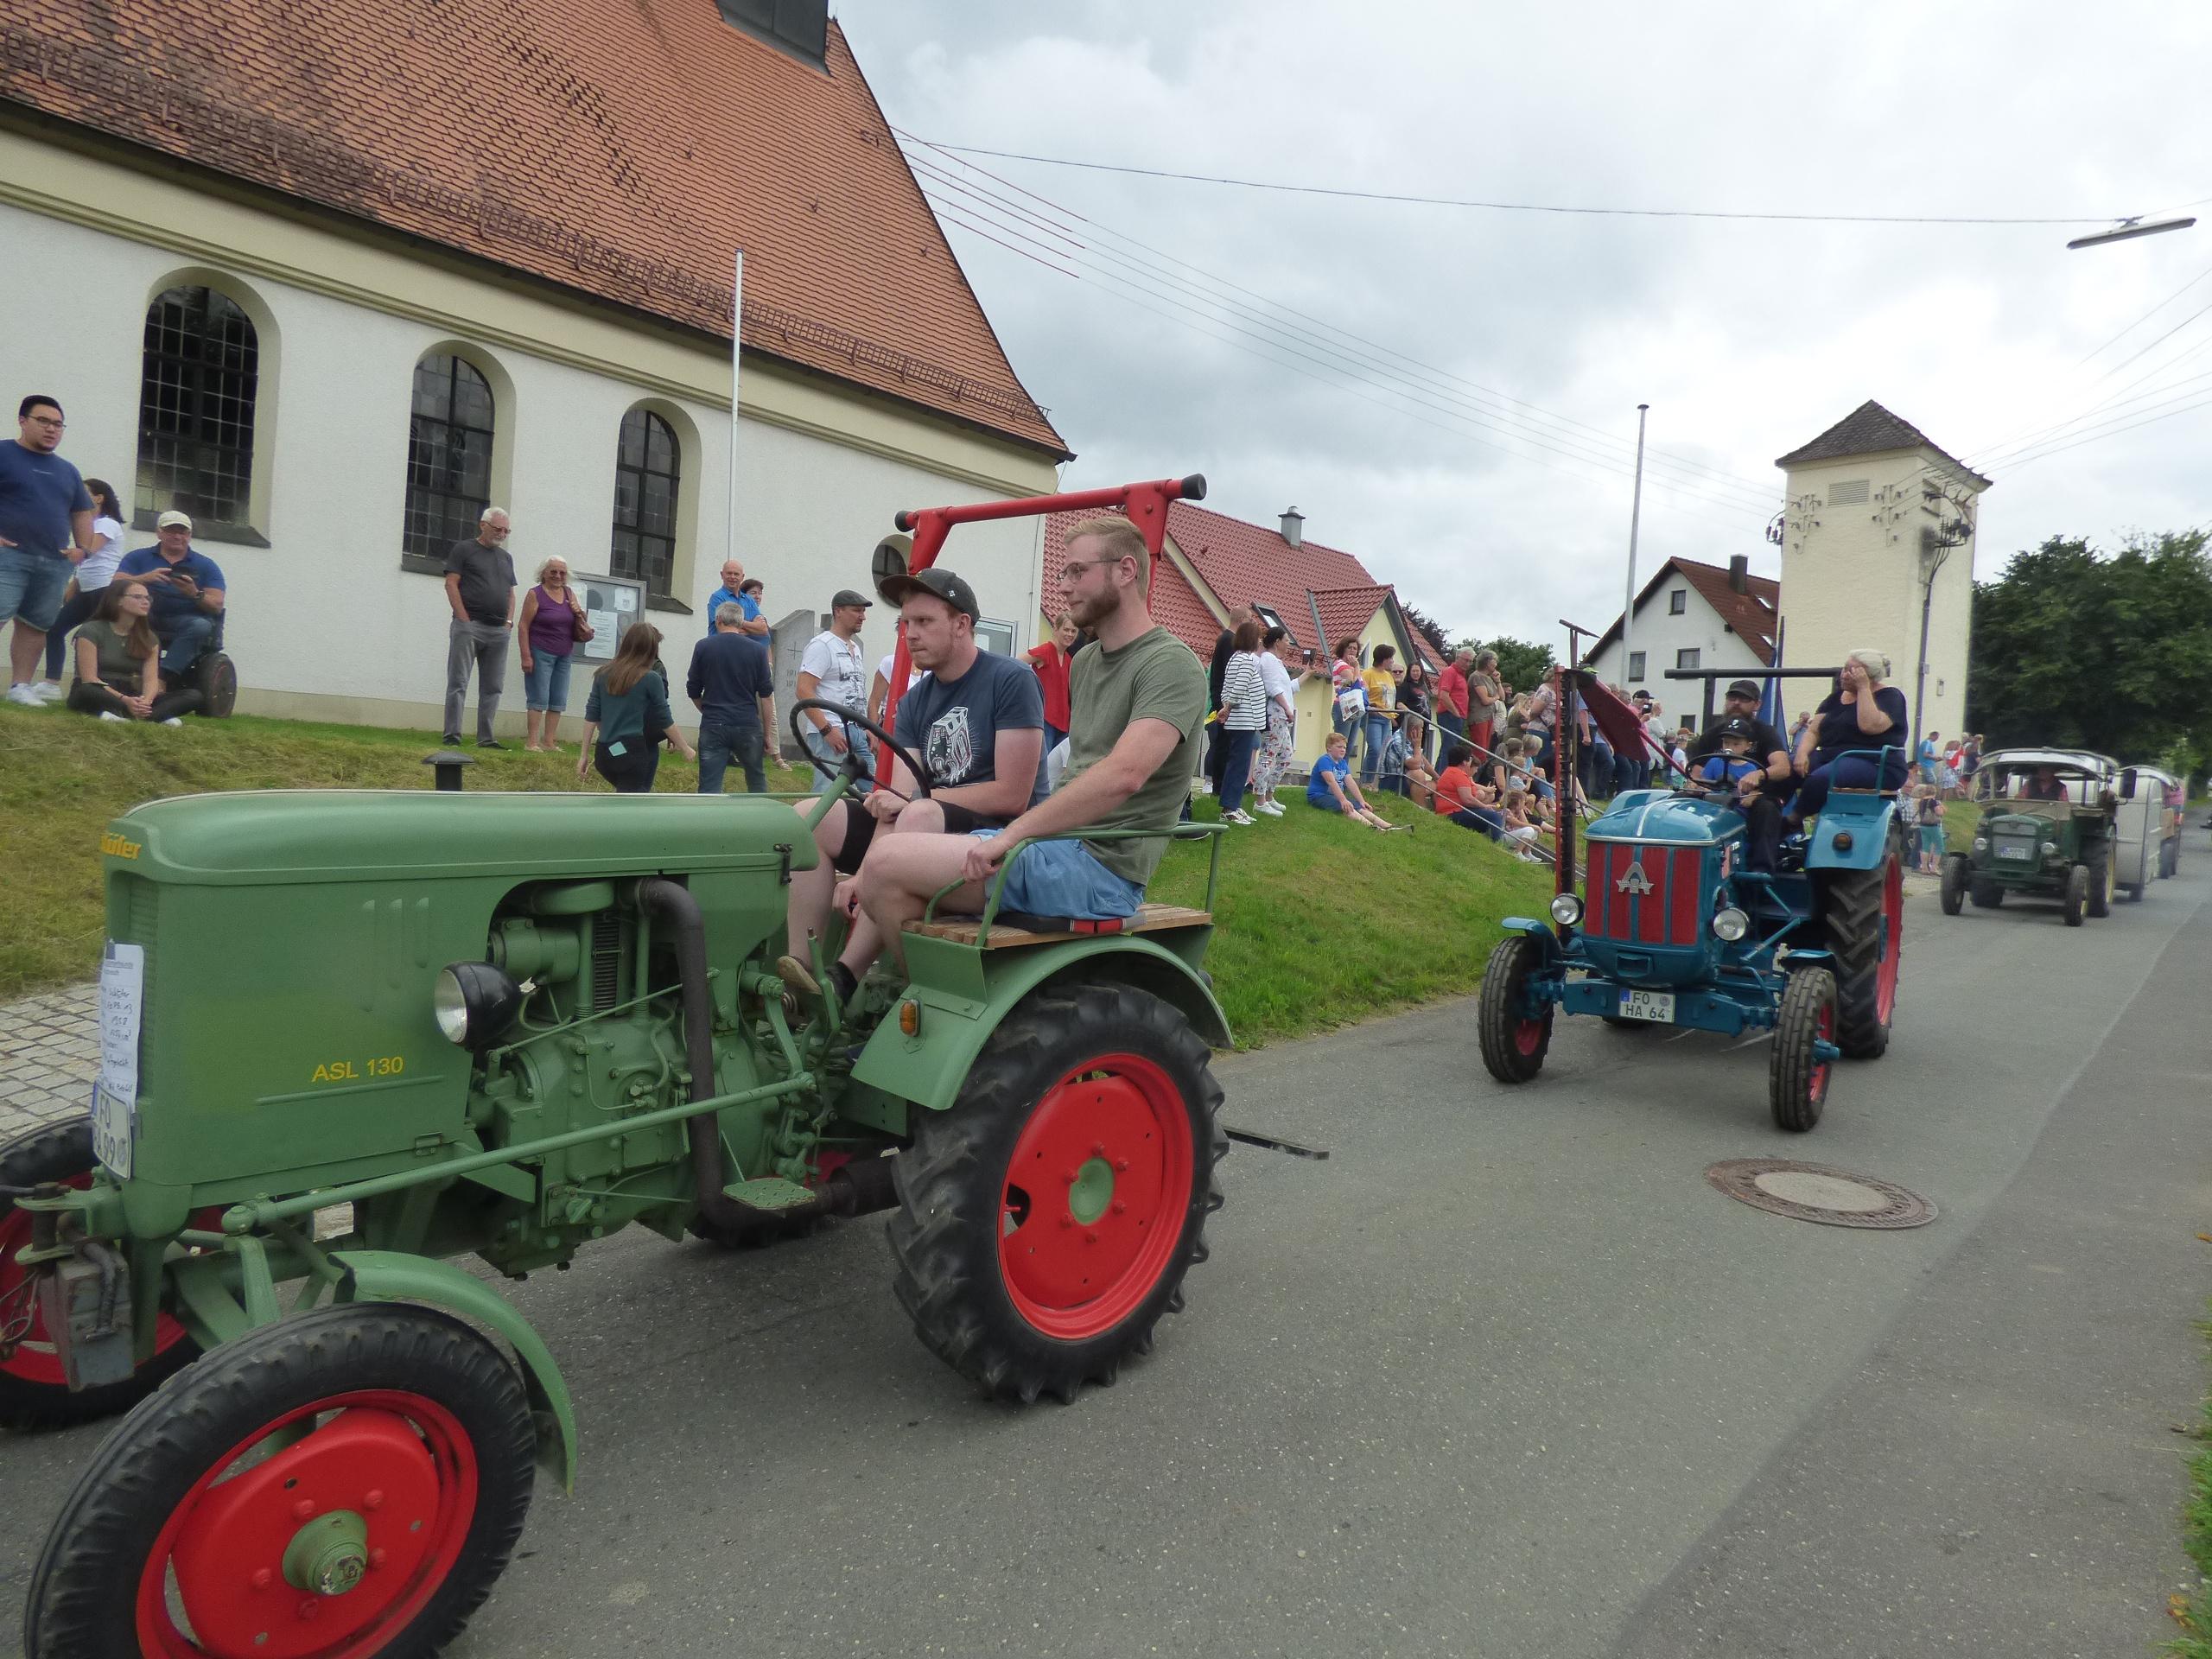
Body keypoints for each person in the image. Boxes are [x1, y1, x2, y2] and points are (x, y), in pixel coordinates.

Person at [792, 518, 1207, 1004]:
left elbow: (1125, 775)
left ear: (1126, 570)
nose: (1065, 587)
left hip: (1100, 871)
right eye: (1062, 574)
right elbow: (1077, 763)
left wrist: (1010, 834)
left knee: (885, 862)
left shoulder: (1170, 664)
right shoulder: (1090, 662)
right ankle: (894, 1005)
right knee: (885, 879)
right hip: (1052, 848)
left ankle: (936, 1013)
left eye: (1076, 572)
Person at [780, 566, 1047, 995]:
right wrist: (890, 807)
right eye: (906, 623)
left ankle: (847, 973)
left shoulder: (1010, 681)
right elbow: (901, 794)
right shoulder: (914, 700)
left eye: (924, 622)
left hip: (999, 835)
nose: (911, 634)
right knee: (807, 818)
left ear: (961, 625)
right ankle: (800, 973)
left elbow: (1013, 796)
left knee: (919, 812)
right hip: (927, 822)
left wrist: (865, 874)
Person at [3, 395, 98, 708]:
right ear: (22, 421)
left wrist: (82, 549)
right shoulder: (3, 454)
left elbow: (83, 512)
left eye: (58, 424)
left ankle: (20, 686)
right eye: (43, 421)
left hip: (53, 562)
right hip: (7, 557)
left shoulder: (67, 470)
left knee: (35, 625)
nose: (51, 429)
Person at [114, 510, 226, 702]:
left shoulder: (206, 565)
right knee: (129, 618)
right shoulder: (138, 557)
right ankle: (124, 676)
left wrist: (193, 593)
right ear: (159, 533)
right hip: (146, 615)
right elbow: (115, 585)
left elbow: (217, 604)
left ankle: (162, 678)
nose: (177, 536)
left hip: (186, 619)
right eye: (170, 531)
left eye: (182, 532)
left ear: (189, 536)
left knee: (200, 626)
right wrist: (145, 579)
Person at [1790, 648, 1910, 821]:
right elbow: (1814, 731)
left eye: (1851, 671)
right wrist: (1801, 754)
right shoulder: (1835, 698)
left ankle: (1793, 819)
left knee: (1821, 779)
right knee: (1786, 770)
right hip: (1831, 756)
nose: (1843, 675)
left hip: (1875, 763)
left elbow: (1869, 725)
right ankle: (1767, 817)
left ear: (1868, 676)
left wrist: (1863, 689)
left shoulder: (1891, 697)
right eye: (1844, 669)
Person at [1687, 680, 1794, 871]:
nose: (1736, 703)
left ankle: (1760, 873)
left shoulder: (1765, 732)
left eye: (1744, 699)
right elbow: (1696, 775)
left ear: (1757, 704)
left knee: (1766, 809)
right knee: (1679, 801)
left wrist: (1759, 776)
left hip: (1758, 796)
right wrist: (1697, 787)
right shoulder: (1712, 734)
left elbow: (1783, 767)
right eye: (1732, 698)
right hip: (1716, 795)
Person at [65, 577, 202, 724]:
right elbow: (89, 678)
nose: (145, 602)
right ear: (118, 600)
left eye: (147, 598)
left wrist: (146, 702)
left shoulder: (149, 638)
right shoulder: (91, 630)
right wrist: (125, 700)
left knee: (194, 696)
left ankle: (140, 715)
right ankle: (151, 717)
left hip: (133, 694)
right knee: (86, 690)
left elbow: (151, 680)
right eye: (137, 597)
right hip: (101, 692)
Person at [576, 623, 694, 792]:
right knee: (633, 800)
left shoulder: (602, 674)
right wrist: (685, 747)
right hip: (632, 752)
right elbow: (664, 718)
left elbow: (592, 715)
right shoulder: (651, 679)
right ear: (651, 648)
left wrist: (583, 755)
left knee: (625, 796)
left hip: (604, 753)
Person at [434, 505, 513, 747]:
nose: (501, 534)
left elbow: (510, 592)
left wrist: (509, 622)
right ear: (483, 525)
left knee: (494, 686)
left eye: (506, 530)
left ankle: (486, 737)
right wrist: (463, 619)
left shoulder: (505, 557)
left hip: (498, 630)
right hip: (470, 626)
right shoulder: (464, 549)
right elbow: (451, 584)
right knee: (458, 682)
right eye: (498, 528)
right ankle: (452, 734)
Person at [41, 476, 125, 696]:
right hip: (87, 590)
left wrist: (47, 552)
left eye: (84, 491)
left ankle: (94, 686)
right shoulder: (87, 525)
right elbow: (86, 563)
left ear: (99, 498)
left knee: (91, 637)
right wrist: (73, 586)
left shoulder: (107, 523)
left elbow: (89, 551)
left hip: (104, 591)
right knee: (55, 629)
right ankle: (51, 684)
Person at [687, 601, 777, 793]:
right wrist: (767, 734)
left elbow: (693, 689)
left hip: (714, 723)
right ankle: (759, 819)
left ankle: (710, 822)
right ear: (740, 623)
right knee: (756, 779)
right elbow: (766, 696)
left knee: (709, 785)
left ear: (718, 620)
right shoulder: (758, 651)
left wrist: (707, 709)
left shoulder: (703, 647)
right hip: (747, 723)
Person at [795, 589, 874, 789]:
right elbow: (804, 690)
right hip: (832, 731)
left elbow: (853, 690)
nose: (862, 617)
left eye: (863, 612)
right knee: (827, 793)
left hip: (856, 730)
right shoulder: (822, 645)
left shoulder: (854, 648)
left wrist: (867, 728)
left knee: (876, 792)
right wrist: (827, 730)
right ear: (838, 611)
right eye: (857, 610)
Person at [517, 557, 594, 752]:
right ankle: (532, 742)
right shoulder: (535, 594)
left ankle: (549, 741)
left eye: (562, 573)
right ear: (544, 573)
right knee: (538, 697)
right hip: (540, 651)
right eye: (553, 572)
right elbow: (523, 626)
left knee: (558, 698)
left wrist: (579, 612)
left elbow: (580, 623)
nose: (558, 576)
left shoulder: (569, 593)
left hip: (564, 653)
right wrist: (526, 656)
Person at [1216, 617, 1269, 825]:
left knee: (1238, 763)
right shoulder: (1246, 661)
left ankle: (1234, 805)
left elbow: (1226, 689)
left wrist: (1225, 707)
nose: (1259, 642)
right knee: (1239, 765)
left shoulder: (1235, 658)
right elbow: (1237, 689)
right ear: (1252, 639)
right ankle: (1229, 808)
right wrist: (1228, 708)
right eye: (1258, 638)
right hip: (1244, 721)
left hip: (1240, 720)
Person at [1250, 626, 1306, 817]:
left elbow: (1287, 687)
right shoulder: (1269, 660)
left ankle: (1269, 794)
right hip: (1275, 715)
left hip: (1281, 715)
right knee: (1268, 756)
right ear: (1277, 642)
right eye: (1287, 640)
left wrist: (1307, 673)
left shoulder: (1276, 662)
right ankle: (1260, 800)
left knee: (1285, 756)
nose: (1289, 643)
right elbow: (1274, 688)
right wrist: (1288, 710)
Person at [1205, 604, 1255, 798]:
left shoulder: (1226, 639)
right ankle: (1219, 788)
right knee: (1223, 747)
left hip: (1222, 701)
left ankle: (1220, 787)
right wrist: (1224, 705)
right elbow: (1228, 677)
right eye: (1250, 619)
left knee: (1223, 746)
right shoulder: (1229, 641)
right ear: (1242, 620)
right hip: (1223, 704)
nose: (1251, 623)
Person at [1308, 729, 1400, 830]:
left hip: (1334, 796)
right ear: (1329, 748)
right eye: (1339, 747)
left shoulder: (1342, 763)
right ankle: (1374, 828)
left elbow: (1351, 783)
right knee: (1347, 807)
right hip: (1319, 796)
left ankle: (1388, 826)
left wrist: (1362, 801)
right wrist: (1343, 800)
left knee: (1359, 807)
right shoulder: (1324, 761)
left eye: (1344, 748)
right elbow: (1331, 782)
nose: (1343, 750)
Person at [1025, 610, 1078, 747]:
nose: (1070, 634)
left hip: (1064, 724)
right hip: (1045, 720)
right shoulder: (1046, 651)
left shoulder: (1068, 660)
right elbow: (1016, 664)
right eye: (1066, 630)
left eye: (1073, 631)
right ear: (1056, 629)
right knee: (1044, 765)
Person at [1432, 743, 1505, 840]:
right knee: (1494, 817)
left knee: (1489, 818)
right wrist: (1484, 806)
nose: (1471, 761)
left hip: (1452, 811)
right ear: (1464, 762)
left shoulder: (1450, 771)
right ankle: (1498, 844)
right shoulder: (1459, 775)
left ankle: (1490, 840)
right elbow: (1467, 799)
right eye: (1470, 758)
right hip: (1453, 813)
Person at [1360, 643, 1399, 788]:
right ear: (1384, 659)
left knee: (1383, 752)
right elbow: (1363, 695)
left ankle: (1376, 783)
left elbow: (1391, 698)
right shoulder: (1368, 674)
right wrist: (1372, 706)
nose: (1392, 662)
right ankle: (1366, 781)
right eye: (1391, 658)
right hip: (1373, 717)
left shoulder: (1388, 676)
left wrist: (1393, 716)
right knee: (1375, 748)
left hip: (1387, 718)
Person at [703, 559, 771, 639]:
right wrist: (752, 629)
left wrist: (735, 622)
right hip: (723, 649)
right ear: (722, 575)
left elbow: (763, 629)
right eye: (729, 573)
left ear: (742, 577)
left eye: (736, 574)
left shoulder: (749, 600)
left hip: (746, 649)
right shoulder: (717, 598)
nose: (732, 577)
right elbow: (723, 628)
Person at [1329, 637, 1366, 762]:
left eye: (1355, 649)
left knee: (1349, 746)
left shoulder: (1353, 668)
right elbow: (1353, 682)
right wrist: (1356, 667)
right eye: (1349, 647)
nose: (1352, 651)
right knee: (1340, 744)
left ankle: (1343, 773)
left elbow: (1363, 686)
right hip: (1344, 705)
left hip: (1356, 706)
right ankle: (1334, 770)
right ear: (1343, 649)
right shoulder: (1340, 664)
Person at [870, 646, 925, 726]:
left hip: (919, 728)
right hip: (891, 725)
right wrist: (873, 732)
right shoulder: (890, 662)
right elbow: (874, 701)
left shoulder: (930, 667)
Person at [1438, 647, 1472, 747]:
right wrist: (1456, 713)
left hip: (1456, 716)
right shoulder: (1450, 672)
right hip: (1449, 715)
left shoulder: (1461, 675)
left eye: (1470, 661)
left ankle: (1443, 763)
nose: (1468, 664)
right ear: (1458, 658)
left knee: (1448, 748)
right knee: (1449, 748)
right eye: (1466, 660)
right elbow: (1443, 695)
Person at [1914, 784, 1947, 874]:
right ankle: (1934, 867)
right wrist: (1942, 807)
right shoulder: (1933, 801)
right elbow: (1939, 813)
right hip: (1933, 826)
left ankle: (1924, 867)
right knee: (1939, 846)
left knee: (1925, 847)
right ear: (1934, 792)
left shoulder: (1921, 801)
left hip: (1923, 825)